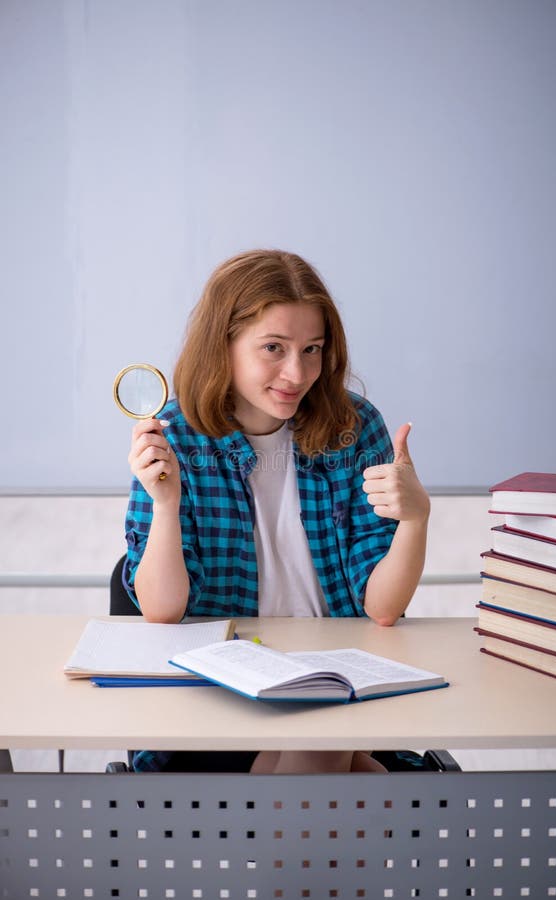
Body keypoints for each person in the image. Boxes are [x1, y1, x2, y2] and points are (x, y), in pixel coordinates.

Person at [123, 249, 431, 774]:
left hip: (338, 677)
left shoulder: (354, 427)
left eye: (312, 349)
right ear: (223, 346)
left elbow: (381, 608)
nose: (297, 372)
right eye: (274, 348)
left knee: (324, 741)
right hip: (220, 698)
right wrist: (166, 503)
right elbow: (162, 610)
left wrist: (416, 519)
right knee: (355, 772)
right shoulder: (173, 435)